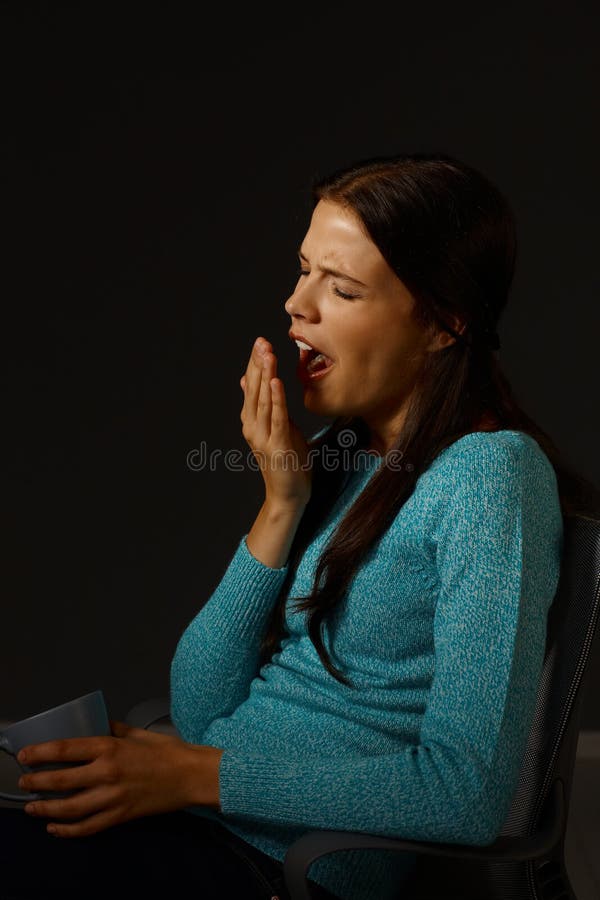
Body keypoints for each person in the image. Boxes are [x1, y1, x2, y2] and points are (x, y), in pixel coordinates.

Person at [1, 152, 597, 900]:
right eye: (303, 270)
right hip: (199, 820)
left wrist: (199, 774)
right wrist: (280, 504)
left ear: (446, 323)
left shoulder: (489, 479)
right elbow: (198, 708)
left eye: (342, 288)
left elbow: (466, 795)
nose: (297, 306)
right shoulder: (341, 457)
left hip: (278, 869)